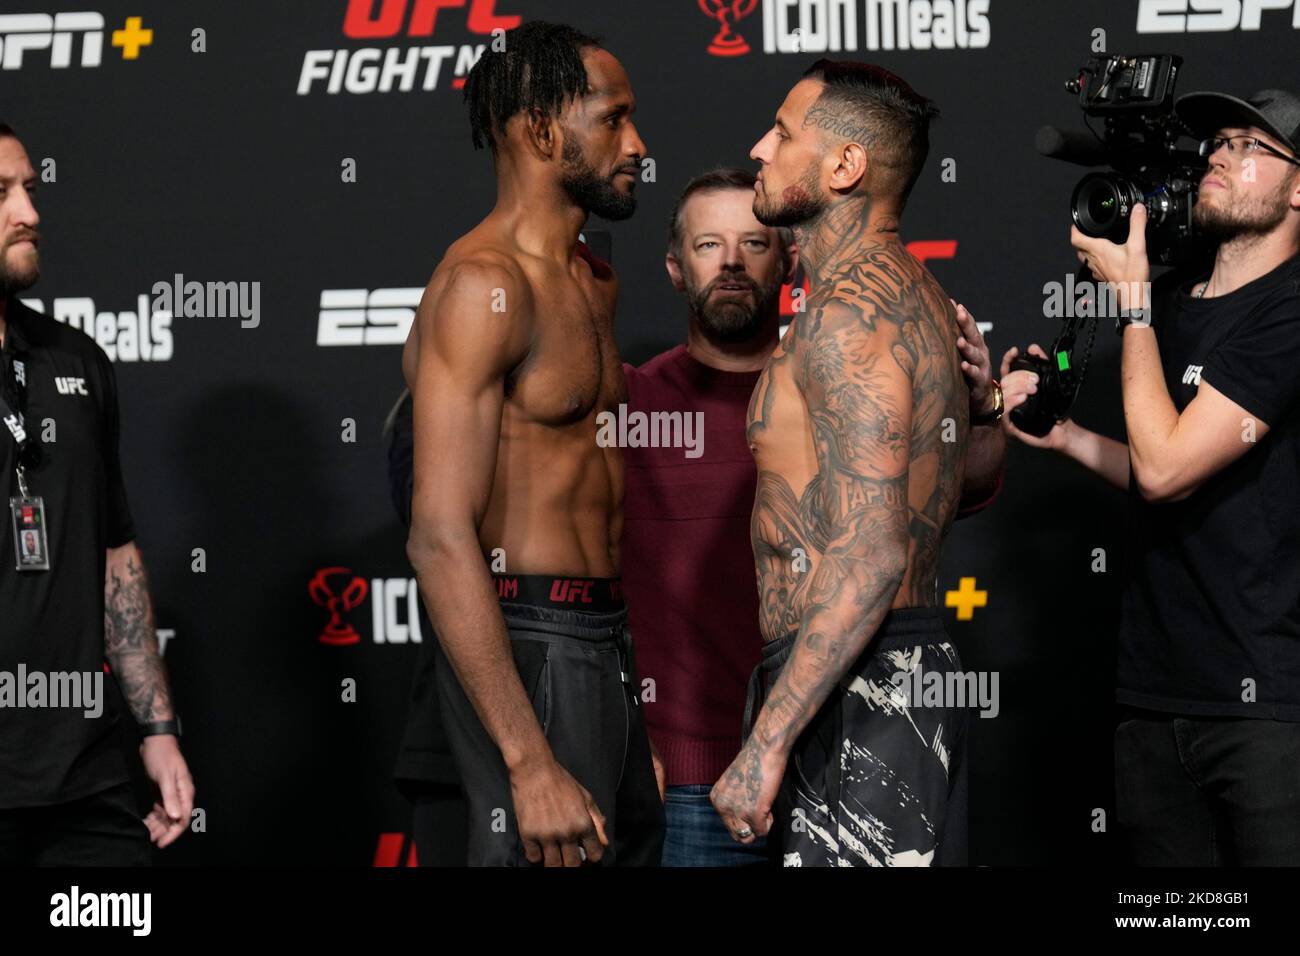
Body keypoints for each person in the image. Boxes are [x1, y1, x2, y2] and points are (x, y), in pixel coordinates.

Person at [625, 167, 1004, 866]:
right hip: (689, 779)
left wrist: (977, 410)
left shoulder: (850, 374)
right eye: (709, 245)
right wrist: (627, 746)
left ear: (789, 259)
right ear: (677, 269)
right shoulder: (630, 406)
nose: (733, 261)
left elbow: (961, 498)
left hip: (838, 747)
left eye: (753, 243)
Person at [1014, 87, 1300, 865]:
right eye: (1217, 144)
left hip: (1265, 709)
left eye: (1250, 147)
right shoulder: (1171, 303)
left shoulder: (1289, 312)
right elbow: (1154, 460)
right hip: (1150, 697)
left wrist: (1132, 306)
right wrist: (1067, 435)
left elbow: (1171, 470)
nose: (1219, 157)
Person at [402, 22, 664, 867]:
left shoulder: (594, 278)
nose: (638, 145)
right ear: (545, 131)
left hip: (606, 645)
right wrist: (529, 760)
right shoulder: (484, 286)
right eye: (615, 119)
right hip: (527, 639)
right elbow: (439, 535)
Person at [710, 61, 972, 866]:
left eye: (784, 133)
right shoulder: (906, 295)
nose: (761, 147)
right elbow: (957, 487)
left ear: (845, 167)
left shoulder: (848, 316)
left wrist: (766, 742)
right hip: (879, 671)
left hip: (865, 680)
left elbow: (870, 550)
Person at [0, 122, 194, 865]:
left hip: (87, 781)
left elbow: (116, 557)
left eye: (30, 189)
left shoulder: (74, 360)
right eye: (3, 194)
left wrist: (158, 730)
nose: (30, 213)